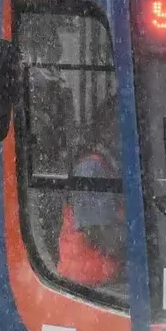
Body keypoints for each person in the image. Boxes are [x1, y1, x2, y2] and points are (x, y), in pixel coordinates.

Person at [56, 98, 127, 289]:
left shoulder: (112, 166)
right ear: (104, 130)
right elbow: (99, 233)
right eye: (121, 124)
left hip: (103, 276)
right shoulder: (92, 168)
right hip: (87, 284)